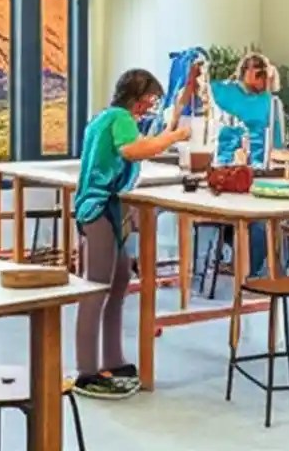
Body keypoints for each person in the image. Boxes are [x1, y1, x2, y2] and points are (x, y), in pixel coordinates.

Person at [71, 68, 188, 399]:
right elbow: (132, 151)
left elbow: (135, 148)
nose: (151, 106)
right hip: (99, 210)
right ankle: (86, 370)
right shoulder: (121, 118)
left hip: (107, 209)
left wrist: (164, 135)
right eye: (150, 99)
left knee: (120, 278)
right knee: (96, 288)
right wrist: (174, 138)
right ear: (137, 97)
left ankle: (112, 358)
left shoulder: (104, 118)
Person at [181, 52, 286, 277]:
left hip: (259, 166)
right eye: (256, 73)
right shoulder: (225, 93)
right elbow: (200, 94)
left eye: (263, 74)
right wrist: (195, 77)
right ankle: (245, 265)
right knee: (241, 218)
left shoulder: (270, 101)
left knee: (260, 218)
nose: (259, 79)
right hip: (228, 166)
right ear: (245, 72)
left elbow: (277, 141)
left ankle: (249, 266)